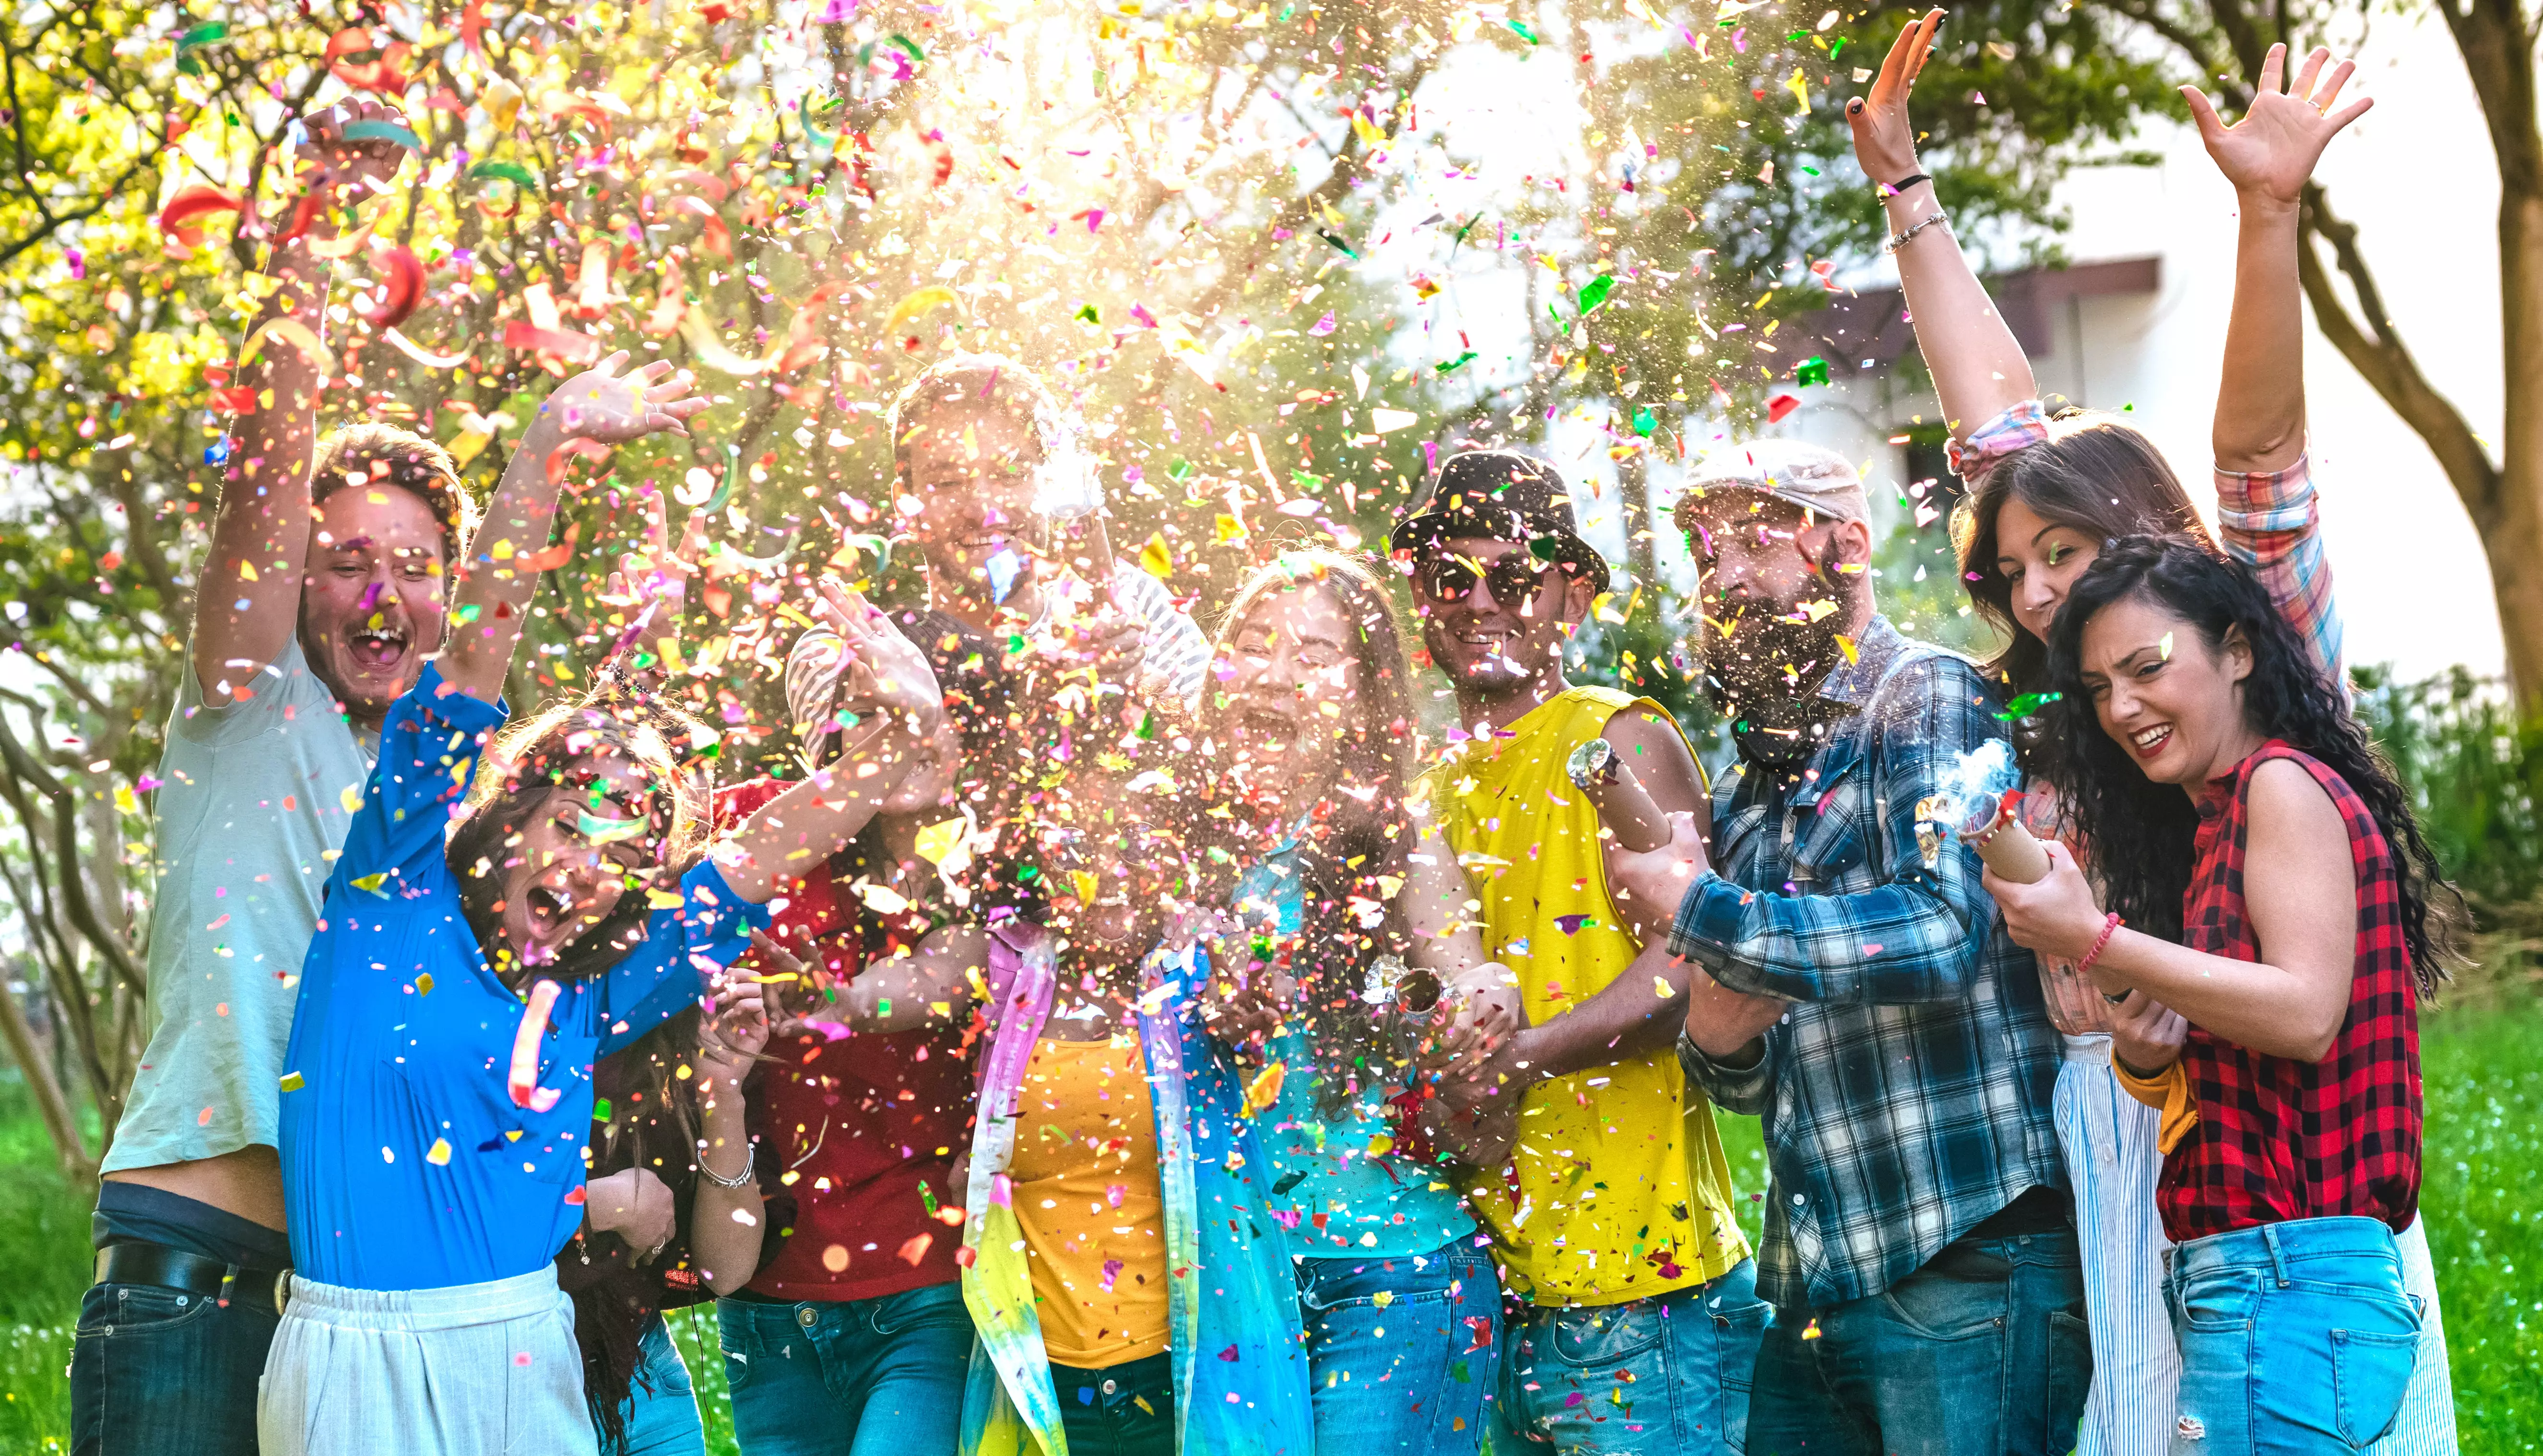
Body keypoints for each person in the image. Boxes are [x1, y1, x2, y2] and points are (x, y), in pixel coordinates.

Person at [1851, 14, 2456, 1449]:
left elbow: (2256, 460)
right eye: (2017, 570)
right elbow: (2003, 440)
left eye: (2072, 549)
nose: (2042, 587)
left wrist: (2266, 213)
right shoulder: (2068, 722)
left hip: (2293, 1167)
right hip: (2126, 1141)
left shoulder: (2252, 657)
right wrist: (1906, 194)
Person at [255, 356, 940, 1456]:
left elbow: (750, 860)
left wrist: (900, 743)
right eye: (576, 822)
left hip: (526, 1360)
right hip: (351, 1361)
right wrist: (545, 446)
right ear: (514, 813)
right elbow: (474, 655)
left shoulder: (591, 999)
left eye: (624, 849)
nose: (586, 864)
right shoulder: (395, 893)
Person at [70, 101, 465, 1456]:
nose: (379, 589)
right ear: (292, 580)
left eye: (414, 564)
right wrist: (308, 256)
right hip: (197, 1282)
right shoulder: (247, 712)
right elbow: (261, 482)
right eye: (345, 556)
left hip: (360, 1309)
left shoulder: (444, 778)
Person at [1606, 439, 2082, 1456]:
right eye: (1703, 556)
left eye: (1751, 541)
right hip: (1819, 1280)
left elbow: (1945, 927)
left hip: (1968, 1258)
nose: (1722, 577)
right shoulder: (1748, 789)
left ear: (1849, 545)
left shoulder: (1923, 696)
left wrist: (1702, 915)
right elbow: (1744, 1074)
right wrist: (1721, 1040)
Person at [1988, 536, 2456, 1456]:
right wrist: (2148, 1053)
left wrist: (2094, 938)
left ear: (2237, 651)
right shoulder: (2213, 820)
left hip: (2291, 1278)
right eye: (2097, 688)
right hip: (2256, 1278)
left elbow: (2304, 1012)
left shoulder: (2278, 785)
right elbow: (2256, 1048)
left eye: (2146, 667)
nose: (2122, 707)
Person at [1393, 449, 1766, 1456]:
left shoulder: (1617, 737)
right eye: (1449, 577)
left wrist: (1515, 1061)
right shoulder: (1420, 787)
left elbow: (1691, 968)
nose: (1479, 601)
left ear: (1573, 595)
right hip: (1487, 1305)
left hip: (1640, 1306)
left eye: (1512, 577)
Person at [1186, 549, 1513, 1454]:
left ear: (1366, 696)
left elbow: (1467, 977)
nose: (1277, 675)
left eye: (1315, 655)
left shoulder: (1397, 841)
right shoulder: (1176, 844)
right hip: (1229, 1286)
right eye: (1254, 644)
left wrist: (1475, 1009)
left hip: (1394, 1278)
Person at [948, 721, 1315, 1456]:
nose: (1107, 872)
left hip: (1185, 1380)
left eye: (1133, 845)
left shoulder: (1200, 972)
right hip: (1040, 1384)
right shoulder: (1007, 975)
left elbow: (1258, 1036)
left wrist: (1247, 1019)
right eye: (1080, 847)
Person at [691, 601, 1000, 1456]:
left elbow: (942, 974)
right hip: (768, 1306)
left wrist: (819, 1003)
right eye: (858, 713)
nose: (891, 734)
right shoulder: (764, 832)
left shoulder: (991, 865)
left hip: (929, 1293)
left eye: (914, 709)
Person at [889, 352, 1209, 705]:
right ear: (907, 506)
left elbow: (1224, 749)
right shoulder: (871, 654)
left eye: (1012, 475)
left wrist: (1158, 713)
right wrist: (1040, 690)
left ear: (1052, 485)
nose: (984, 511)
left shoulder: (1139, 602)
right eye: (948, 482)